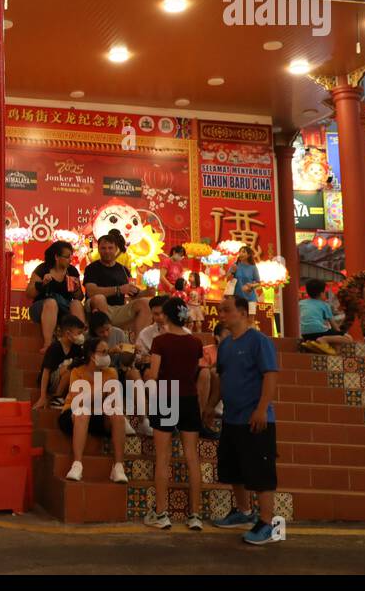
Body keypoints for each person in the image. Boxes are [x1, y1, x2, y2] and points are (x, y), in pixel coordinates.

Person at [209, 295, 281, 545]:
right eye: (220, 310)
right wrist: (210, 406)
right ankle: (243, 511)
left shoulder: (259, 341)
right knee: (233, 469)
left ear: (242, 312)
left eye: (226, 310)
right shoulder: (226, 345)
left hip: (255, 418)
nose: (221, 314)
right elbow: (221, 379)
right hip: (231, 419)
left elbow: (270, 374)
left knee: (260, 473)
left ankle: (267, 523)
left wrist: (262, 409)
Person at [144, 297, 205, 530]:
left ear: (167, 316)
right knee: (192, 457)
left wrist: (148, 372)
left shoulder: (160, 341)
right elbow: (195, 372)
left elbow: (154, 373)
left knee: (163, 457)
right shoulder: (195, 342)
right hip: (189, 399)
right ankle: (195, 515)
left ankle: (161, 514)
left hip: (165, 398)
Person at [61, 337, 128, 484]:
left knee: (118, 415)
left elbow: (114, 403)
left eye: (107, 352)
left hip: (98, 414)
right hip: (74, 413)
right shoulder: (77, 372)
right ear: (92, 355)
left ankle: (118, 467)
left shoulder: (111, 372)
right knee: (83, 412)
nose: (107, 356)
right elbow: (79, 401)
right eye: (103, 352)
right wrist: (101, 388)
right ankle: (77, 465)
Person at [83, 230, 152, 337]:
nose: (107, 251)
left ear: (116, 249)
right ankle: (107, 337)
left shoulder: (123, 269)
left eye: (110, 248)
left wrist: (148, 291)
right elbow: (91, 292)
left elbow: (133, 294)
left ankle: (139, 344)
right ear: (98, 249)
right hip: (97, 307)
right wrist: (118, 289)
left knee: (146, 303)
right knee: (99, 298)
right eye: (103, 248)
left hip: (119, 309)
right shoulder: (92, 268)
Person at [27, 240, 86, 352]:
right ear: (57, 257)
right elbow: (29, 293)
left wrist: (77, 288)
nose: (70, 260)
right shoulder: (43, 269)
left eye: (71, 256)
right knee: (51, 303)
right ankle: (48, 344)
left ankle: (80, 341)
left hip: (64, 307)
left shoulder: (72, 271)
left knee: (77, 304)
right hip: (43, 307)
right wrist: (42, 284)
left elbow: (79, 297)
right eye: (67, 257)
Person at [31, 313, 86, 411]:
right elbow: (46, 371)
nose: (81, 336)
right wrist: (43, 396)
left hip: (66, 379)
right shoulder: (55, 348)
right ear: (68, 334)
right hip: (51, 381)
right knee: (71, 368)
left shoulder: (77, 348)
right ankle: (57, 397)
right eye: (79, 333)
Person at [299, 278, 355, 355]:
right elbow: (335, 327)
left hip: (305, 334)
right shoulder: (324, 305)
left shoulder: (301, 303)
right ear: (322, 293)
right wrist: (341, 334)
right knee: (348, 339)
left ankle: (322, 347)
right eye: (325, 292)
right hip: (319, 332)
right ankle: (324, 340)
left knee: (335, 342)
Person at [226, 245, 261, 316]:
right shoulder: (235, 265)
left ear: (248, 255)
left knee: (250, 319)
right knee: (238, 318)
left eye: (243, 252)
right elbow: (228, 279)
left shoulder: (253, 268)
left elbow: (258, 282)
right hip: (237, 298)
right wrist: (232, 271)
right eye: (240, 252)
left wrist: (251, 285)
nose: (241, 254)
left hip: (251, 298)